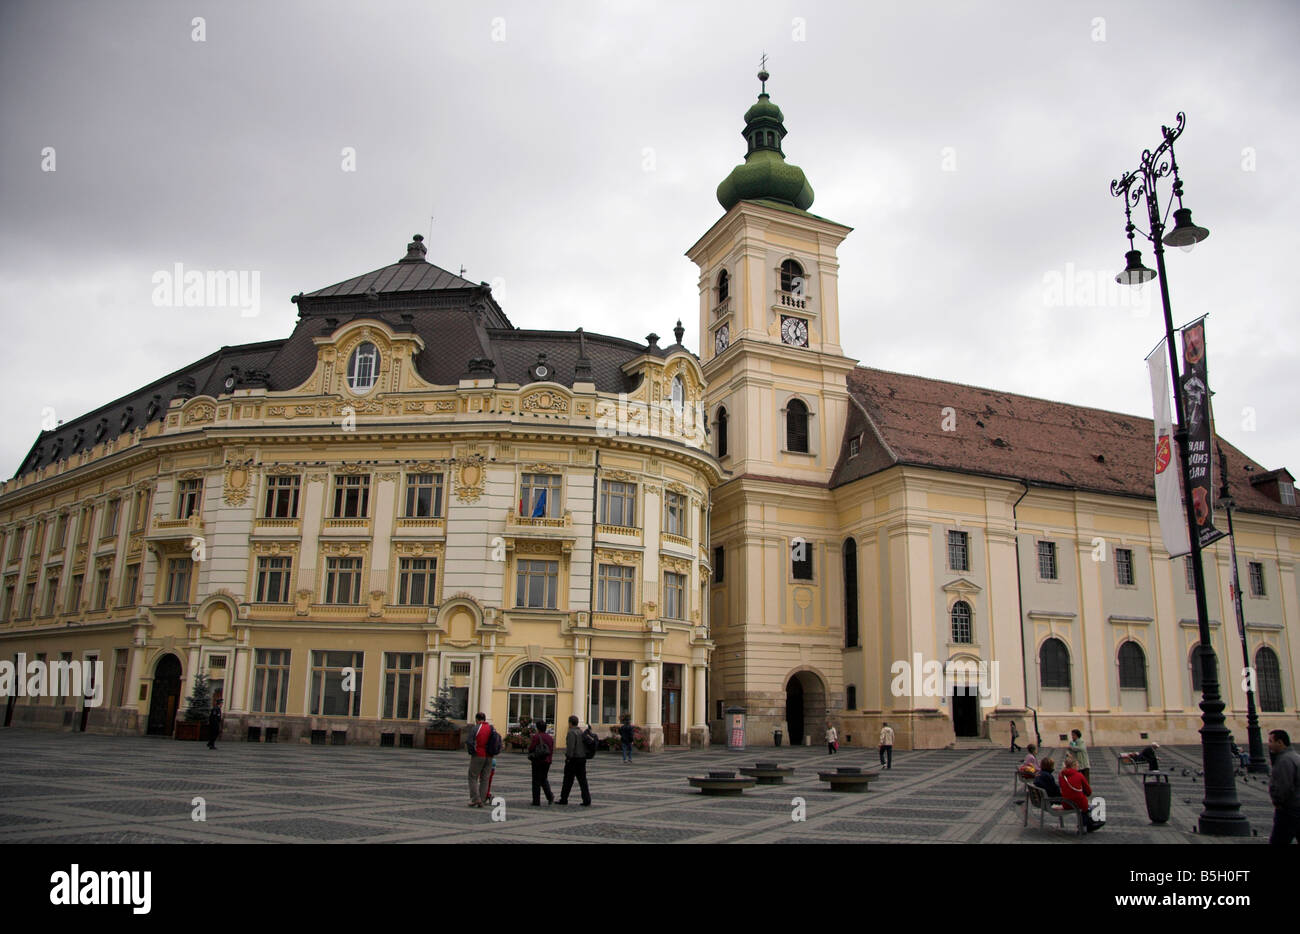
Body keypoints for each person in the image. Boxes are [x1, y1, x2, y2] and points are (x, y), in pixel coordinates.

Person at [1267, 729, 1300, 845]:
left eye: (1271, 741)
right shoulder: (1294, 756)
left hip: (1289, 810)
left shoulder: (1285, 760)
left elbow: (1284, 786)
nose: (1268, 744)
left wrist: (1277, 801)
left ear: (1280, 742)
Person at [1060, 753, 1102, 831]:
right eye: (1077, 765)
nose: (1078, 766)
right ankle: (1087, 824)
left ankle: (1086, 824)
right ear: (1073, 766)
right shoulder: (1079, 775)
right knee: (1085, 804)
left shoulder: (1061, 775)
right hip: (1078, 803)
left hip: (1066, 803)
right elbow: (1089, 792)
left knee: (1082, 802)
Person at [465, 712, 500, 808]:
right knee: (485, 778)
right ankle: (483, 799)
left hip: (479, 754)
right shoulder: (491, 728)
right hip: (490, 756)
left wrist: (472, 752)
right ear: (485, 719)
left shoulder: (476, 728)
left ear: (477, 719)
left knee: (473, 776)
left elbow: (469, 741)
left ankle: (475, 799)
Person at [558, 714, 591, 806]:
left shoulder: (571, 732)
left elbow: (570, 747)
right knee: (582, 780)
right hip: (582, 758)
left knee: (568, 780)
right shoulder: (581, 732)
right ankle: (586, 799)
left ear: (570, 723)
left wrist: (568, 758)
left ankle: (564, 798)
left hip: (574, 759)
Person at [528, 718, 555, 806]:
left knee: (536, 780)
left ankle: (536, 800)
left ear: (538, 728)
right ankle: (550, 796)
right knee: (544, 779)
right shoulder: (550, 737)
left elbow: (531, 748)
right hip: (547, 761)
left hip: (537, 760)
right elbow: (551, 749)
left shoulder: (536, 737)